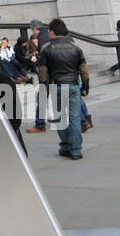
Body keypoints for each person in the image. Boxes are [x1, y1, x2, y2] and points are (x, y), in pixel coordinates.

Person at [37, 18, 89, 160]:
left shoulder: (46, 49)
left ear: (52, 32)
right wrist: (85, 86)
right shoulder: (76, 48)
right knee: (75, 118)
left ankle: (66, 146)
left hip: (57, 86)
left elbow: (42, 72)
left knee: (60, 118)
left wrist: (43, 87)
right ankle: (76, 149)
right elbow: (84, 70)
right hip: (72, 85)